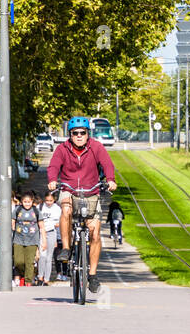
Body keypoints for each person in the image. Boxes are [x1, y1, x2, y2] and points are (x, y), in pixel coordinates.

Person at [47, 116, 118, 295]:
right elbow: (54, 166)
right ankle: (65, 248)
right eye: (75, 133)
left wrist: (110, 180)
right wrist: (53, 181)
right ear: (69, 134)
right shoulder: (62, 149)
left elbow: (107, 164)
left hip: (91, 191)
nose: (79, 136)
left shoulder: (96, 147)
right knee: (66, 208)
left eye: (82, 133)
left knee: (95, 232)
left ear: (88, 134)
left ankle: (92, 276)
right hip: (69, 189)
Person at [11, 190, 42, 286]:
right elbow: (12, 222)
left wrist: (43, 240)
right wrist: (13, 232)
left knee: (29, 262)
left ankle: (28, 281)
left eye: (29, 202)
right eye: (25, 202)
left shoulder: (36, 211)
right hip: (18, 238)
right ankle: (25, 273)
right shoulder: (17, 210)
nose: (27, 204)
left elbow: (41, 226)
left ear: (32, 201)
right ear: (21, 201)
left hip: (32, 239)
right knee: (18, 261)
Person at [38, 191, 61, 283]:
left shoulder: (57, 209)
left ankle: (46, 279)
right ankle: (40, 277)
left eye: (51, 200)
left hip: (51, 233)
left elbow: (58, 223)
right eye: (47, 200)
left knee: (49, 257)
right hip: (41, 233)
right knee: (42, 256)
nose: (49, 202)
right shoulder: (40, 207)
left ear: (54, 200)